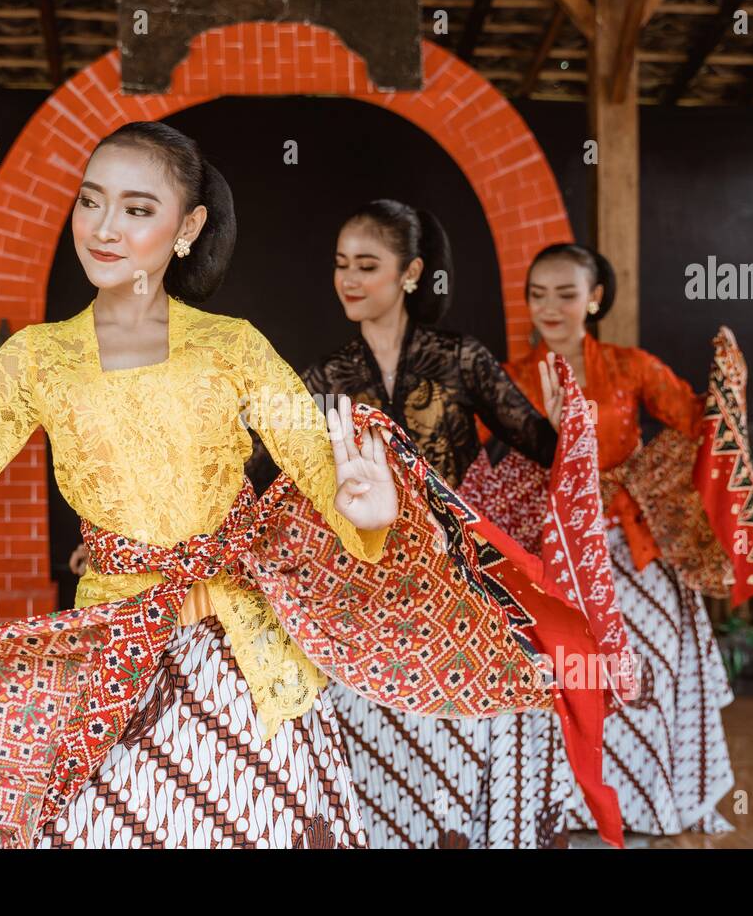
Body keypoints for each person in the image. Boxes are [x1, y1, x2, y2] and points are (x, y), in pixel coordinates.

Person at [0, 123, 604, 849]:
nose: (103, 227)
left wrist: (363, 510)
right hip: (115, 655)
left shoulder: (233, 346)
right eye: (91, 200)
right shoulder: (38, 359)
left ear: (184, 230)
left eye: (136, 208)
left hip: (246, 659)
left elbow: (325, 479)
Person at [248, 200, 604, 849]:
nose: (349, 280)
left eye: (366, 265)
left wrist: (572, 423)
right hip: (366, 583)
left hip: (458, 576)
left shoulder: (460, 358)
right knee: (369, 736)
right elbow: (256, 469)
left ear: (411, 273)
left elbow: (543, 449)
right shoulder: (325, 377)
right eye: (340, 266)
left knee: (474, 737)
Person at [494, 243, 752, 836]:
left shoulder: (630, 366)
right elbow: (471, 452)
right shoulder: (508, 378)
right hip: (556, 549)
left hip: (630, 546)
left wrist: (731, 386)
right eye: (538, 294)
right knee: (563, 673)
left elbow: (701, 426)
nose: (550, 307)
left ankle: (649, 804)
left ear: (595, 298)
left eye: (565, 293)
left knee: (648, 668)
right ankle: (564, 807)